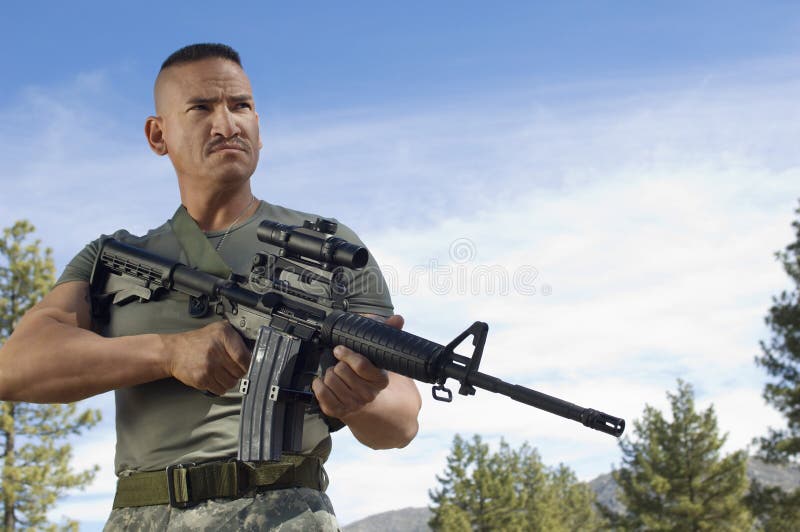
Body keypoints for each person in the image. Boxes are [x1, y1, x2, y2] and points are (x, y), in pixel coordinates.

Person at [0, 43, 422, 530]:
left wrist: (361, 397)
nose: (227, 125)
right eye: (201, 108)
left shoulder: (330, 247)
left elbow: (402, 421)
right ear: (158, 135)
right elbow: (15, 367)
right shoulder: (110, 258)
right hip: (147, 515)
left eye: (240, 106)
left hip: (287, 515)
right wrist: (166, 353)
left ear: (259, 128)